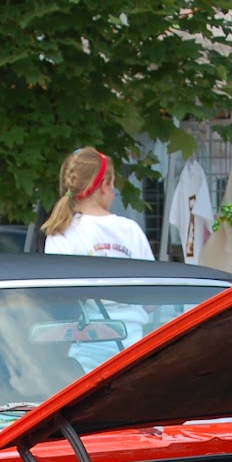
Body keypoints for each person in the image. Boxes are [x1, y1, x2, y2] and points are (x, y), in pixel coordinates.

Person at [42, 147, 154, 369]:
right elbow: (151, 300)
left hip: (85, 353)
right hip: (133, 350)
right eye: (113, 187)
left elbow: (58, 301)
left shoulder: (60, 233)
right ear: (104, 186)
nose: (113, 192)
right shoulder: (130, 229)